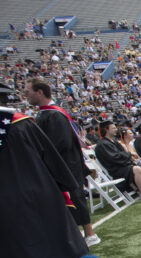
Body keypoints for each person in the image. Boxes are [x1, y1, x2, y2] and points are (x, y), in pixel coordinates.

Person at [0, 82, 88, 258]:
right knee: (61, 233)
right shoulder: (23, 122)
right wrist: (65, 184)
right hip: (43, 187)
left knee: (25, 244)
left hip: (8, 196)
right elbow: (48, 154)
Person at [24, 77, 100, 247]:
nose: (25, 95)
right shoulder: (49, 113)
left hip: (65, 165)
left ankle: (89, 233)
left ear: (40, 92)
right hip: (63, 164)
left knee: (75, 198)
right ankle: (75, 233)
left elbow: (60, 144)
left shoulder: (53, 115)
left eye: (28, 91)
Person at [94, 121, 141, 200]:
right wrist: (129, 155)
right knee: (137, 169)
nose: (116, 129)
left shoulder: (113, 142)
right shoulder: (103, 144)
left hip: (124, 166)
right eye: (113, 128)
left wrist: (133, 161)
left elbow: (122, 154)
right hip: (116, 170)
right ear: (106, 129)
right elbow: (115, 158)